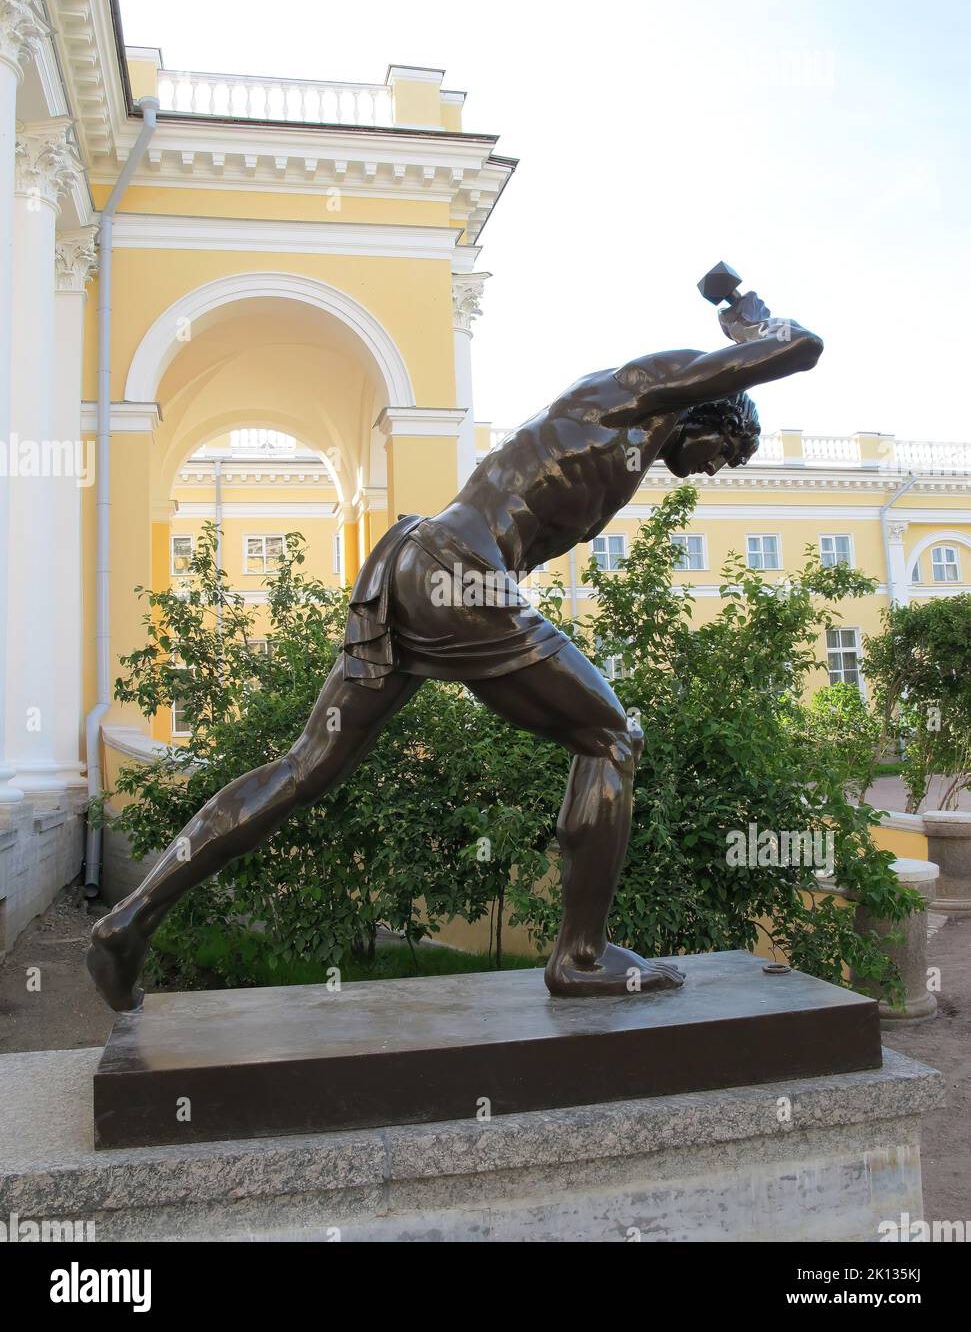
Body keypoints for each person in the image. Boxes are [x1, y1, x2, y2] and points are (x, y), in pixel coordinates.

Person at [88, 290, 822, 1010]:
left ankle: (130, 921)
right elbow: (798, 347)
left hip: (412, 562)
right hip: (457, 577)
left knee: (304, 767)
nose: (720, 466)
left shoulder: (631, 433)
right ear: (716, 404)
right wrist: (751, 316)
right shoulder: (639, 389)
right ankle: (581, 959)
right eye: (728, 449)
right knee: (608, 738)